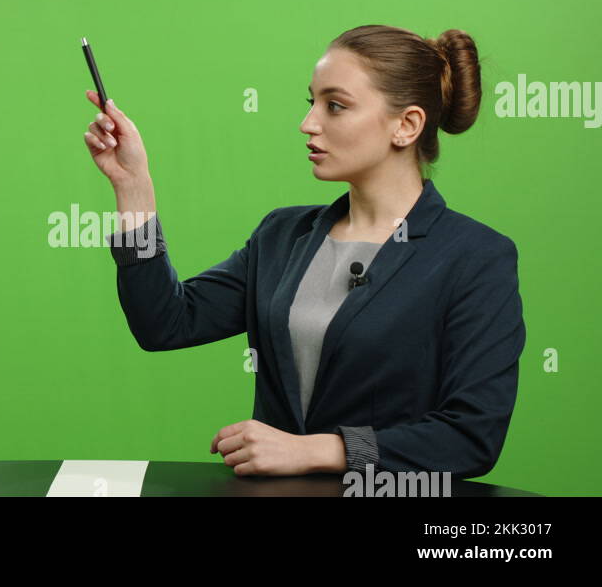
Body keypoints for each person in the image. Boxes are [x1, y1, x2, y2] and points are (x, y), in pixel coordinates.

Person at [81, 24, 526, 480]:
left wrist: (318, 450)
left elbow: (472, 437)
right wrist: (133, 186)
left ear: (406, 125)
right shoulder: (281, 234)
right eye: (311, 102)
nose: (309, 123)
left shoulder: (476, 258)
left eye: (335, 105)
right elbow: (164, 323)